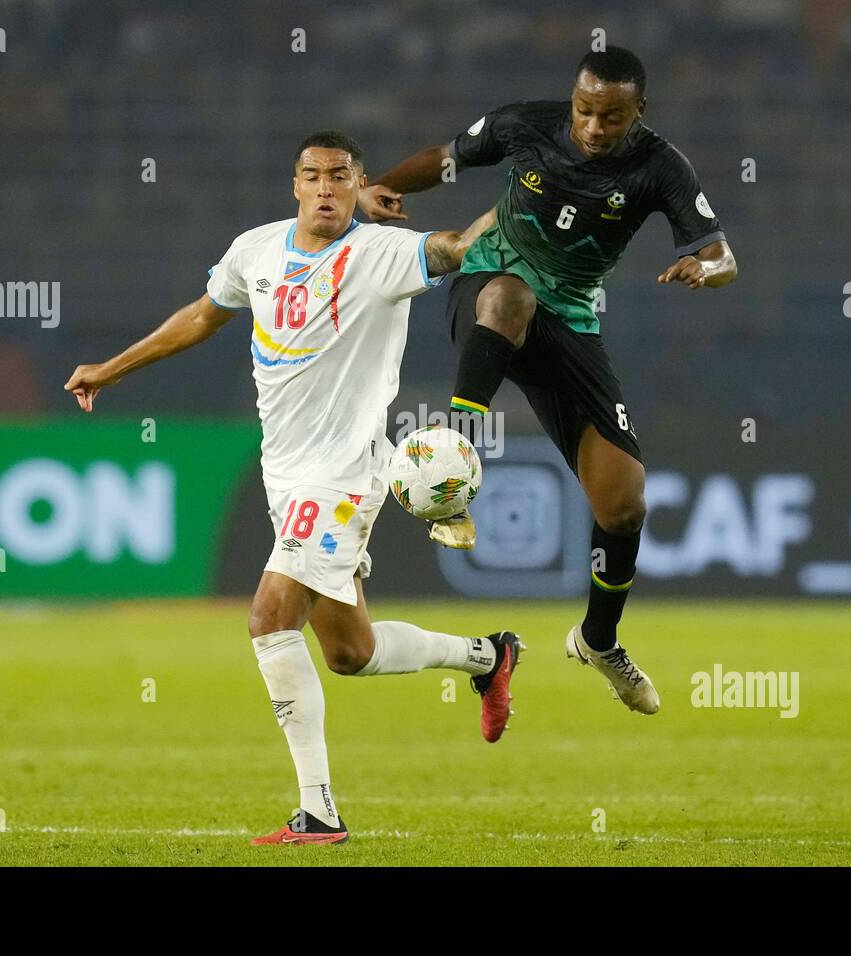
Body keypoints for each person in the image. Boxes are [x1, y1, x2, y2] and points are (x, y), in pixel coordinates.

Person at [65, 131, 516, 846]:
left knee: (269, 618)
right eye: (314, 175)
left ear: (360, 184)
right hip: (286, 473)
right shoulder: (255, 251)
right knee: (350, 652)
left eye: (341, 175)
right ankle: (489, 656)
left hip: (344, 473)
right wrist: (111, 369)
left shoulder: (380, 254)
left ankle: (318, 812)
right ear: (296, 185)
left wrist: (525, 198)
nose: (327, 187)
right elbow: (202, 315)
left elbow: (457, 247)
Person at [358, 47, 739, 716]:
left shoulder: (661, 167)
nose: (593, 127)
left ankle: (599, 640)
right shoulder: (526, 126)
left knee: (624, 503)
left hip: (570, 321)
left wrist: (704, 271)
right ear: (573, 100)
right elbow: (449, 157)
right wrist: (380, 186)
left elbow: (722, 256)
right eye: (585, 110)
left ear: (639, 112)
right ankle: (453, 474)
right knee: (510, 298)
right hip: (487, 287)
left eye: (611, 117)